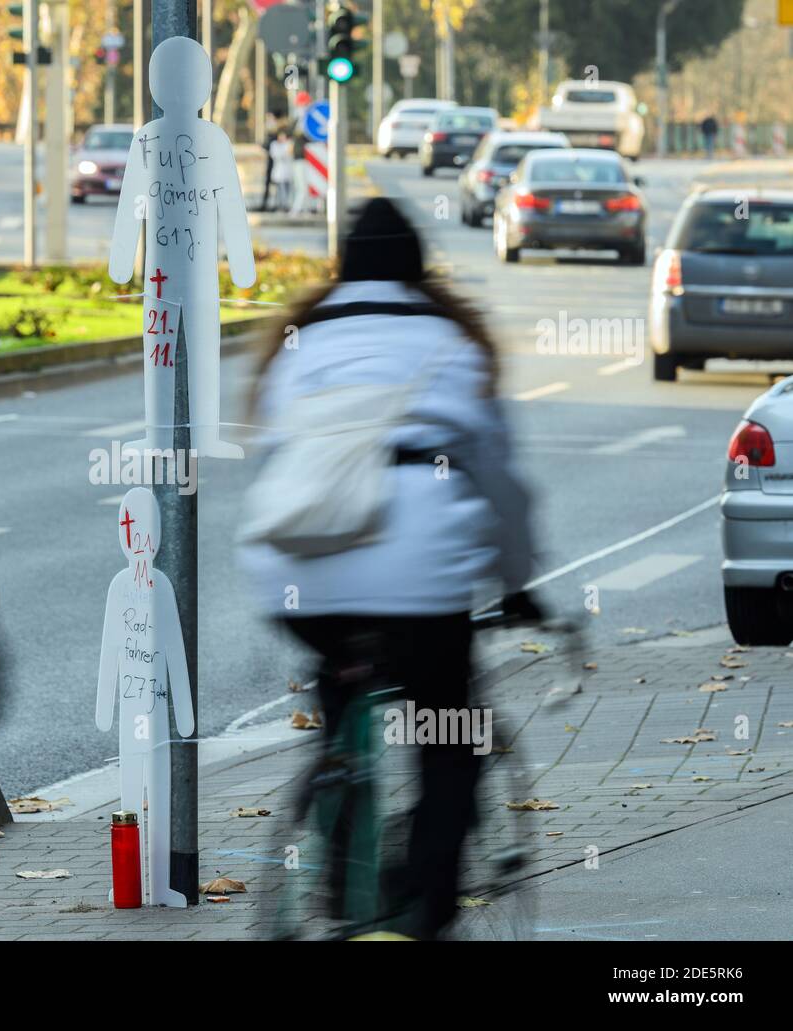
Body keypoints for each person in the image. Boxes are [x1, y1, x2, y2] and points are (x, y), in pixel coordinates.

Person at [240, 197, 542, 940]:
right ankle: (418, 914)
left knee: (344, 691)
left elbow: (273, 452)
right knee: (453, 736)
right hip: (420, 574)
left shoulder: (297, 339)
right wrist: (518, 584)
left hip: (301, 568)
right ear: (419, 269)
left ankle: (343, 893)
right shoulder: (452, 339)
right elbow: (501, 487)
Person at [259, 112, 281, 212]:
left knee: (275, 183)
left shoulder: (276, 133)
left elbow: (269, 145)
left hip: (275, 162)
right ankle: (267, 202)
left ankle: (274, 203)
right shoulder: (272, 133)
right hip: (271, 161)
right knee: (269, 182)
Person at [269, 128, 294, 212]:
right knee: (280, 190)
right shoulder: (274, 145)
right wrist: (286, 152)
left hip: (288, 172)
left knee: (287, 190)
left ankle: (286, 205)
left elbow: (290, 155)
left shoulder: (288, 144)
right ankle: (281, 206)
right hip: (279, 172)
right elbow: (277, 156)